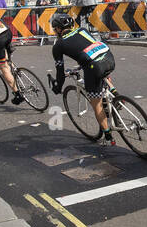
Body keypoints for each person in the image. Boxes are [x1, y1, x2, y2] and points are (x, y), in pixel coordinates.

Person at [49, 11, 117, 145]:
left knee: (96, 103)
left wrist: (58, 86)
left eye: (55, 29)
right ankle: (116, 94)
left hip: (93, 66)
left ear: (58, 29)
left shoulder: (58, 45)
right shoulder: (82, 30)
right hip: (108, 56)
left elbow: (60, 71)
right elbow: (88, 47)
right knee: (102, 68)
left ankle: (108, 135)